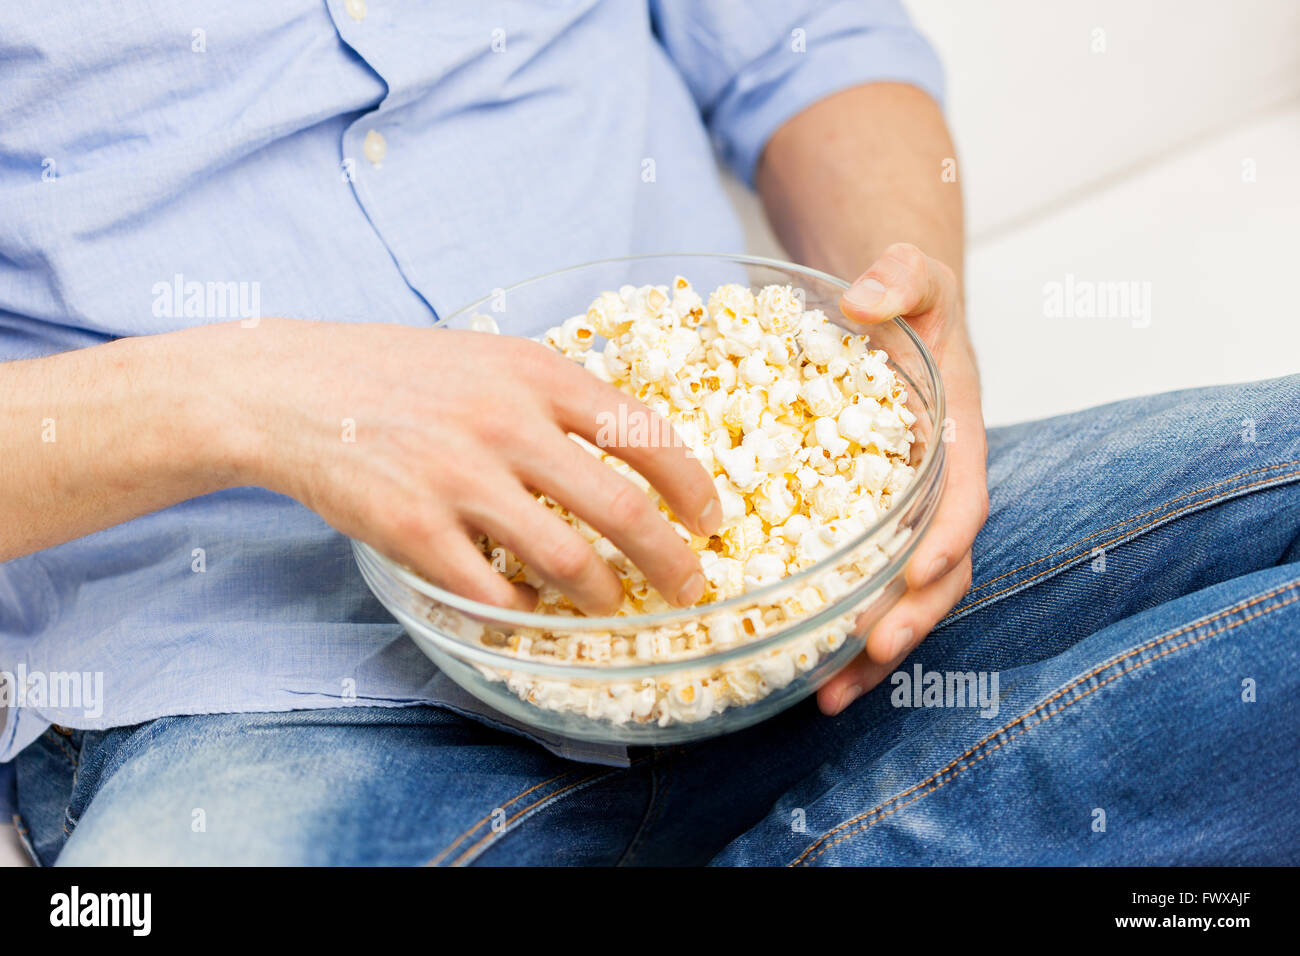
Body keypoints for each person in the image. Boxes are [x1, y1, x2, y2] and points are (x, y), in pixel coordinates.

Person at [1, 1, 1295, 866]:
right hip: (247, 686)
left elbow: (808, 42)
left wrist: (908, 321)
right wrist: (257, 393)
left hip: (781, 561)